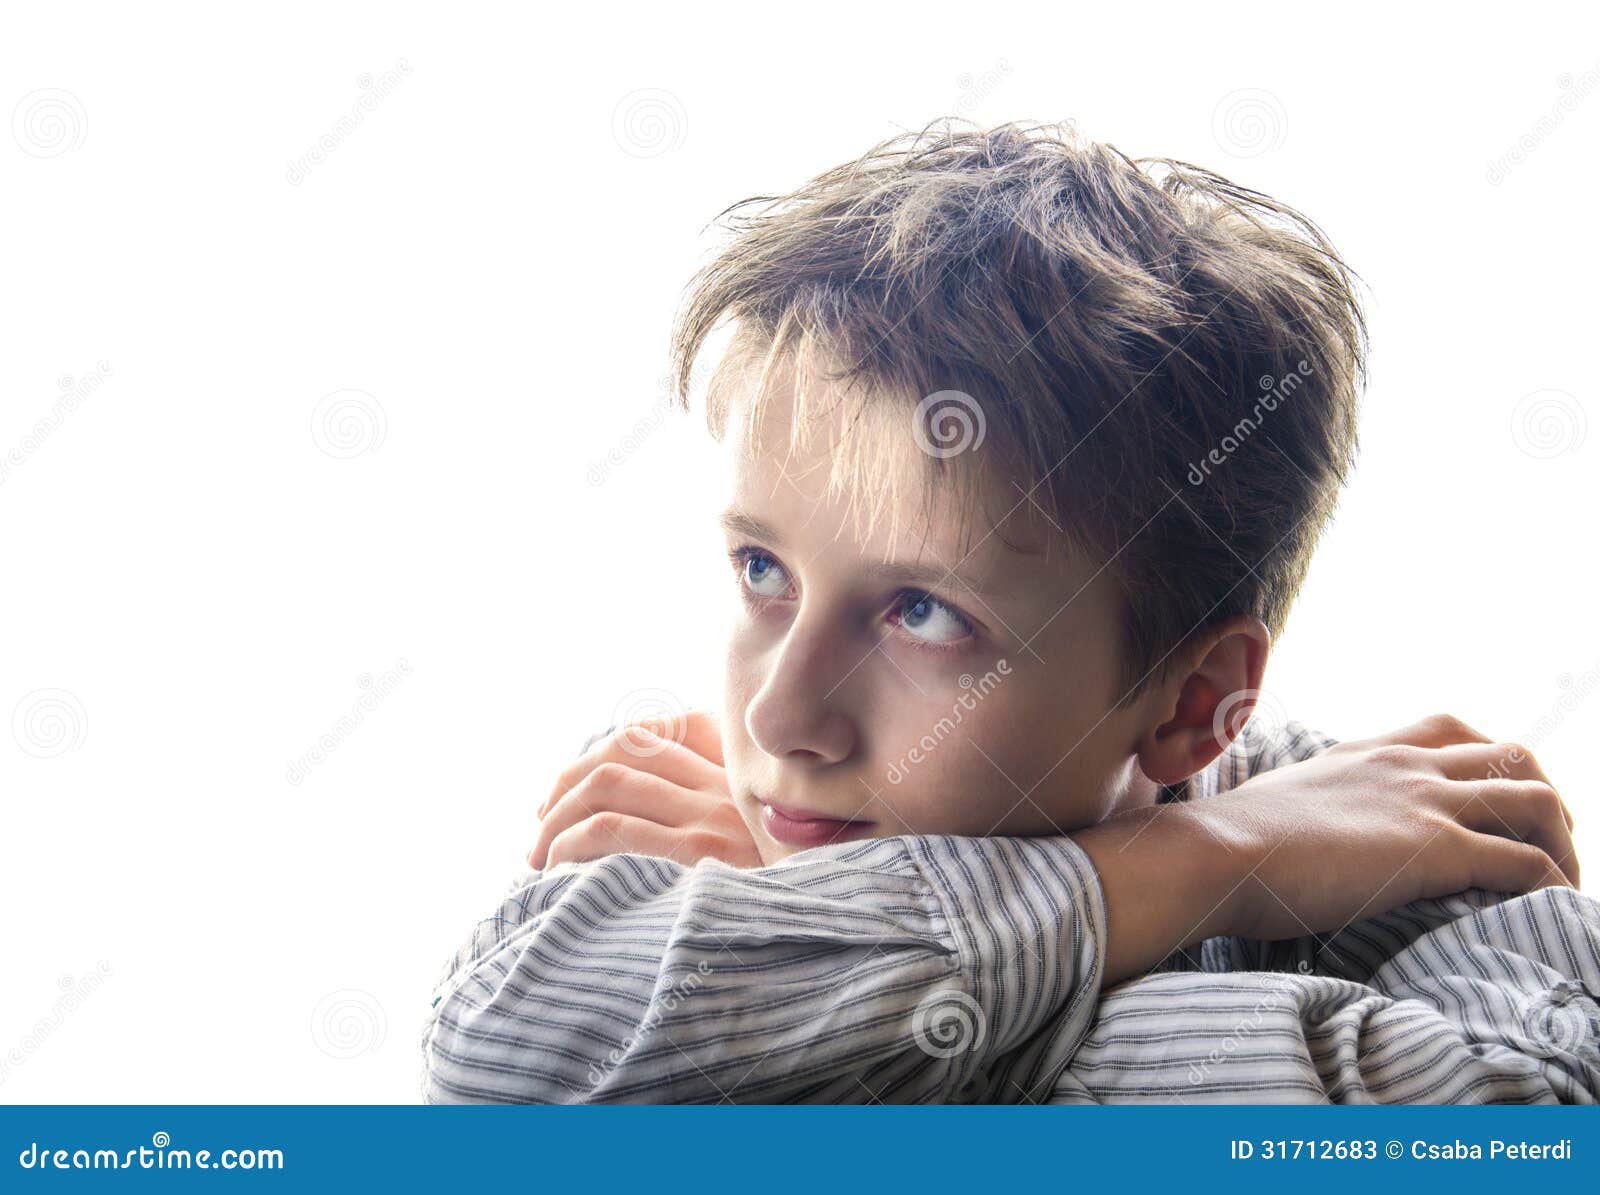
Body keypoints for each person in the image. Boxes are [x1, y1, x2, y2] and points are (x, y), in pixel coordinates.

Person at [421, 120, 1587, 1103]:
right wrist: (1201, 861)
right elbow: (499, 1065)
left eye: (922, 613)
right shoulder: (673, 797)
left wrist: (807, 981)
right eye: (763, 569)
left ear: (1192, 704)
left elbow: (1518, 1134)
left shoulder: (1433, 846)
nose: (777, 717)